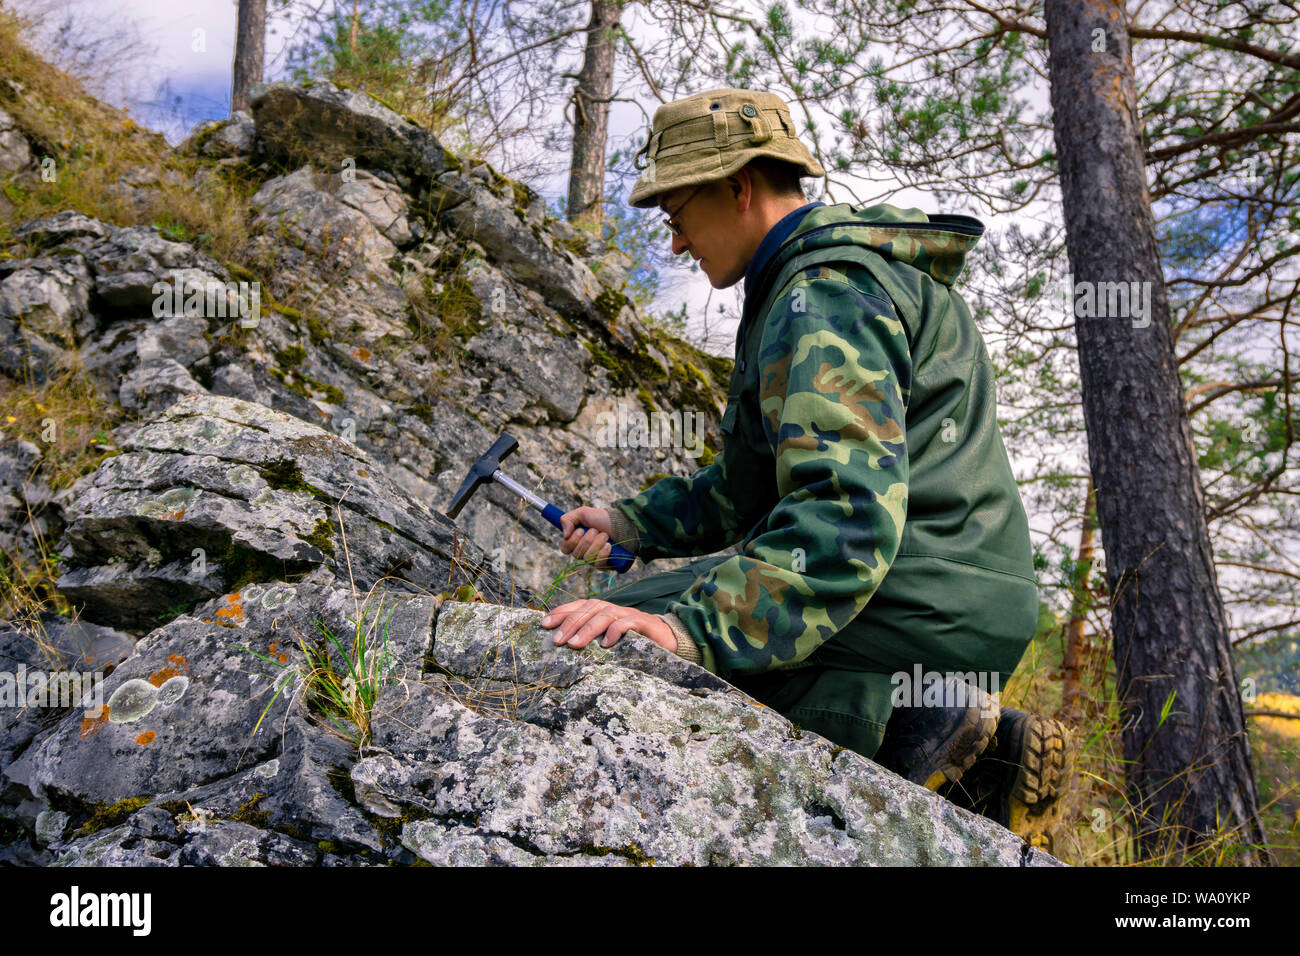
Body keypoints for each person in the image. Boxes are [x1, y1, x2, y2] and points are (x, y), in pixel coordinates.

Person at [540, 88, 1066, 844]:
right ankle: (959, 738)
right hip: (956, 592)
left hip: (920, 597)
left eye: (676, 212)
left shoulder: (823, 291)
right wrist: (632, 523)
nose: (678, 242)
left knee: (616, 647)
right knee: (655, 603)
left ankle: (915, 733)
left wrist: (685, 632)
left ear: (739, 185)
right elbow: (746, 486)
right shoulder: (820, 280)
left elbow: (845, 518)